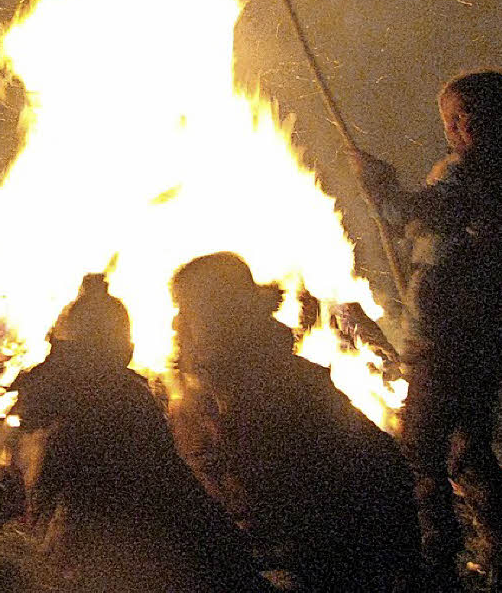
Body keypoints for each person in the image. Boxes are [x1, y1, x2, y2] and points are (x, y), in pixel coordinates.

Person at [354, 70, 502, 593]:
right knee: (470, 451)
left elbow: (415, 213)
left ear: (500, 120)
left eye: (469, 113)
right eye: (450, 119)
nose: (459, 126)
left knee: (418, 455)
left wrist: (379, 186)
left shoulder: (479, 174)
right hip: (474, 339)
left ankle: (437, 561)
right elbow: (428, 232)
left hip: (448, 343)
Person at [0, 273, 274, 593]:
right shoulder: (113, 403)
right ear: (126, 351)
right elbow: (31, 479)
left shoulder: (104, 407)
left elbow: (77, 500)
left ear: (59, 346)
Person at [169, 251, 420, 593]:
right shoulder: (215, 393)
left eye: (188, 311)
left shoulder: (282, 391)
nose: (177, 326)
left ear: (223, 316)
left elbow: (382, 474)